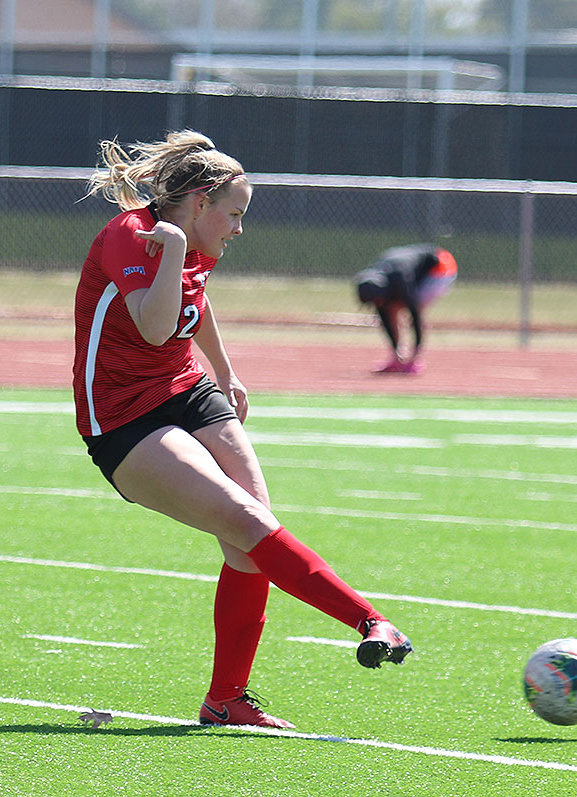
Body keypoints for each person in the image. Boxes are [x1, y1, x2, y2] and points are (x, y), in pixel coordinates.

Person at [72, 130, 412, 730]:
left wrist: (225, 373)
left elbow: (190, 309)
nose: (237, 228)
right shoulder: (135, 235)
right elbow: (153, 328)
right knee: (248, 525)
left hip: (189, 390)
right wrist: (173, 251)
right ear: (200, 202)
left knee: (254, 530)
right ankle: (369, 619)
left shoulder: (195, 246)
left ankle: (227, 698)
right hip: (123, 416)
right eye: (234, 213)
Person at [353, 243, 457, 374]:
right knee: (390, 311)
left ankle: (415, 361)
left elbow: (414, 314)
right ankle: (396, 359)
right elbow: (384, 317)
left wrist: (413, 355)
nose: (377, 304)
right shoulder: (374, 284)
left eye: (378, 301)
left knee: (413, 312)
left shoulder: (399, 281)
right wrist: (396, 352)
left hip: (440, 266)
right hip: (410, 270)